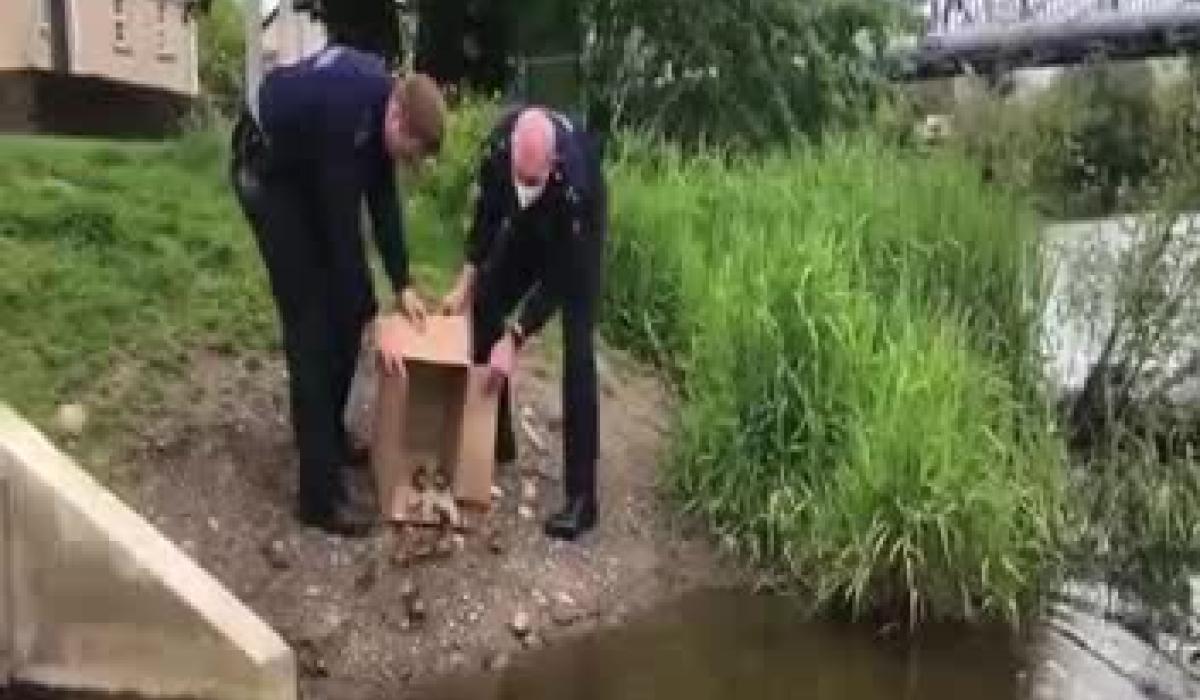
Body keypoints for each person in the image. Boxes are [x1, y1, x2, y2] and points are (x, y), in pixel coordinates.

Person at [230, 44, 446, 537]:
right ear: (396, 117)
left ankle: (326, 433)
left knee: (344, 312)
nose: (406, 164)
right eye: (408, 153)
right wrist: (375, 320)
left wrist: (403, 282)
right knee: (312, 322)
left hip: (307, 166)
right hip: (267, 171)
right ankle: (317, 498)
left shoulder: (381, 107)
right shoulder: (344, 113)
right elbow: (341, 232)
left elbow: (383, 200)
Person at [441, 106, 607, 541]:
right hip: (526, 228)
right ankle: (493, 436)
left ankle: (582, 500)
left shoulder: (577, 184)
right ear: (512, 150)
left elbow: (559, 279)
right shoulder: (498, 150)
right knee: (487, 299)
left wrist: (515, 338)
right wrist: (466, 280)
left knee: (578, 353)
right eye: (519, 174)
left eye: (532, 180)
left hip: (574, 242)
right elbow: (487, 216)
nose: (523, 184)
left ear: (551, 165)